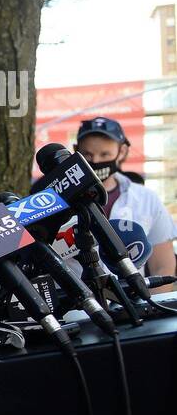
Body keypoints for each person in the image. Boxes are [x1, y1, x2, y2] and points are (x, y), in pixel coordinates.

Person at [73, 116, 174, 292]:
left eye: (105, 154)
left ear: (122, 151)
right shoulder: (55, 200)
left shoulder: (147, 199)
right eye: (88, 155)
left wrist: (148, 309)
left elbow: (162, 266)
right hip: (76, 312)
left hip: (135, 307)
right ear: (76, 152)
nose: (95, 161)